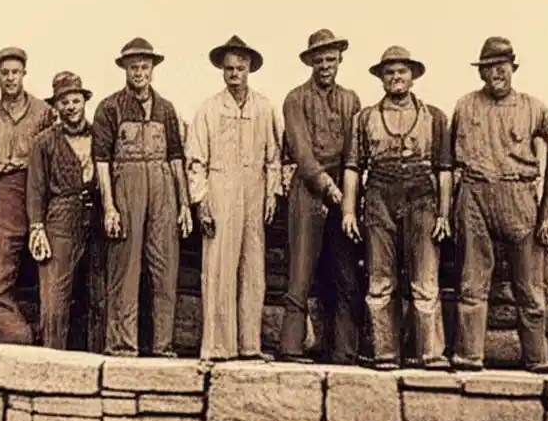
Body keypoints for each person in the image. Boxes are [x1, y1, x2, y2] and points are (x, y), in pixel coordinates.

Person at [451, 37, 548, 373]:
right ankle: (469, 355)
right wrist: (452, 211)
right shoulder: (465, 106)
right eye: (489, 68)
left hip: (519, 197)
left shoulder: (535, 108)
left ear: (513, 68)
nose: (497, 73)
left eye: (502, 66)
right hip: (475, 195)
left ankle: (537, 358)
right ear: (481, 72)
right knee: (472, 283)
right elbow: (450, 164)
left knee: (530, 287)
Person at [342, 46, 452, 371]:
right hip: (379, 197)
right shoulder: (365, 118)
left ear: (412, 76)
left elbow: (444, 169)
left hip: (422, 198)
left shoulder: (434, 117)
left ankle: (430, 353)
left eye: (402, 71)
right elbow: (353, 167)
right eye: (389, 72)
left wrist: (444, 214)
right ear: (381, 78)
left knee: (425, 279)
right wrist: (349, 211)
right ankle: (385, 353)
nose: (396, 77)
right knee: (380, 279)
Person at [92, 38, 192, 357]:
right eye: (133, 67)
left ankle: (163, 344)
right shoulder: (109, 108)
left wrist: (184, 204)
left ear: (152, 69)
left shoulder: (166, 109)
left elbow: (176, 158)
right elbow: (101, 161)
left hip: (163, 187)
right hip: (126, 185)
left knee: (165, 265)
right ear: (124, 69)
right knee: (125, 265)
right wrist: (109, 207)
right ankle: (123, 343)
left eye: (144, 67)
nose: (139, 72)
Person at [186, 36, 281, 362]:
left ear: (249, 69)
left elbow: (273, 157)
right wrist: (202, 200)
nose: (235, 74)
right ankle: (217, 346)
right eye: (229, 69)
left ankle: (249, 345)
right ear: (222, 71)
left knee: (252, 268)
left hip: (254, 189)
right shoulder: (209, 109)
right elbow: (195, 160)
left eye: (240, 68)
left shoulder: (264, 108)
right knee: (218, 267)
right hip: (221, 187)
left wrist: (271, 194)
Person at [279, 29, 365, 365]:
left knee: (344, 270)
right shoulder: (295, 99)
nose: (325, 65)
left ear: (340, 60)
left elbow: (355, 150)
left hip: (344, 188)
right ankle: (291, 346)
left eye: (331, 59)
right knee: (301, 270)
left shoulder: (351, 100)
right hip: (309, 188)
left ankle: (344, 350)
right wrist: (326, 185)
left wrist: (349, 194)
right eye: (319, 60)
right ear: (310, 63)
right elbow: (301, 152)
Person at [0, 47, 55, 344]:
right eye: (4, 73)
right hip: (5, 193)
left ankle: (54, 342)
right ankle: (18, 338)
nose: (10, 78)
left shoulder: (44, 112)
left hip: (43, 190)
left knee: (54, 272)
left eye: (15, 72)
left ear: (24, 74)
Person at [27, 71, 99, 351]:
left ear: (84, 101)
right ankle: (52, 355)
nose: (71, 107)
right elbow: (35, 189)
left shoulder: (99, 135)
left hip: (93, 219)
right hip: (59, 218)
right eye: (64, 102)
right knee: (55, 294)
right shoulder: (44, 142)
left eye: (75, 100)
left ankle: (88, 358)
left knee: (93, 291)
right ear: (56, 106)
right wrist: (37, 227)